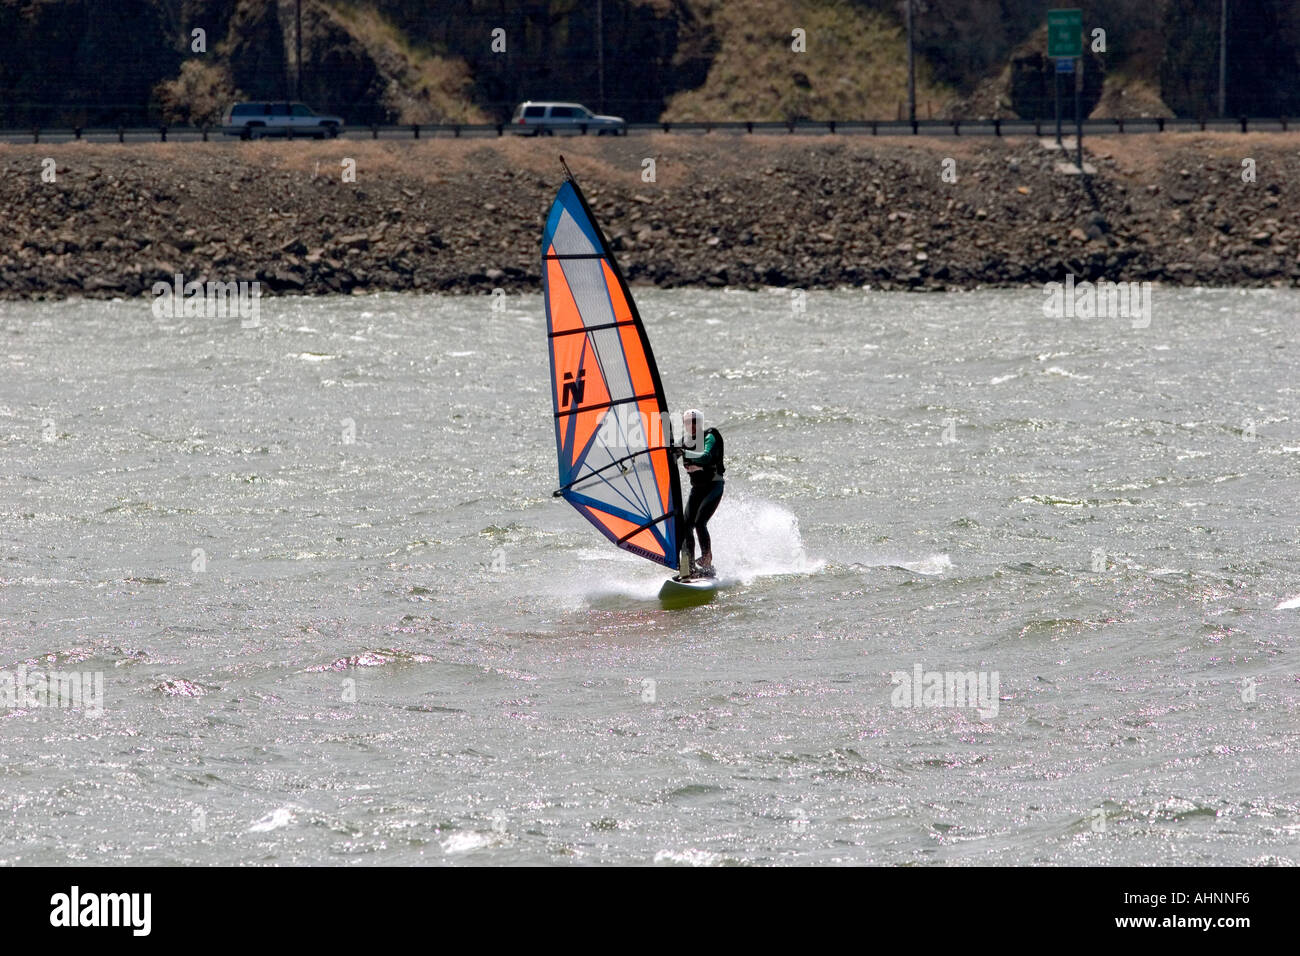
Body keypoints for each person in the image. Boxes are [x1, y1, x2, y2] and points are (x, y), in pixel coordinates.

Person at [673, 409, 725, 577]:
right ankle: (688, 566)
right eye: (688, 422)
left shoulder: (710, 437)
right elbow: (669, 456)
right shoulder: (684, 442)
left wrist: (684, 452)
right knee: (685, 525)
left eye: (695, 421)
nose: (691, 425)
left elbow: (705, 457)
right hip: (697, 489)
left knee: (699, 522)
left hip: (713, 487)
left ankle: (707, 561)